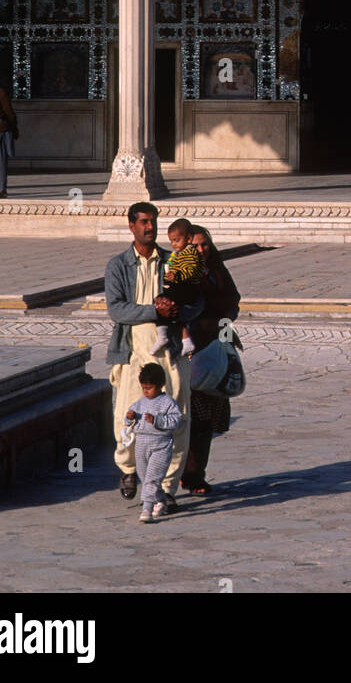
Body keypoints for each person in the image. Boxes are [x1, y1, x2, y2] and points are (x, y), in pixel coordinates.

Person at [104, 202, 204, 508]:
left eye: (153, 222)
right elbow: (116, 308)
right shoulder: (119, 265)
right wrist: (153, 310)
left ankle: (167, 487)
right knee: (127, 416)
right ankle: (129, 469)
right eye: (144, 222)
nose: (150, 227)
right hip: (134, 351)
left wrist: (177, 310)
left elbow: (197, 299)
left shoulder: (173, 260)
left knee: (177, 418)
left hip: (170, 351)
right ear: (131, 225)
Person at [180, 225, 241, 497]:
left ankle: (196, 472)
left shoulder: (217, 268)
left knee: (206, 420)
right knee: (192, 418)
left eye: (206, 245)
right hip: (192, 348)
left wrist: (224, 321)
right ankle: (187, 474)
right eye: (196, 246)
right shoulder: (183, 273)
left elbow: (233, 299)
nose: (202, 250)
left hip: (215, 346)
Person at [124, 362, 183, 523]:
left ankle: (147, 508)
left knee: (152, 478)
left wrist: (157, 420)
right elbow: (129, 422)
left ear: (160, 385)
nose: (146, 391)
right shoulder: (139, 403)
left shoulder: (168, 403)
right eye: (143, 388)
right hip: (141, 444)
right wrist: (129, 418)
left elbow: (175, 421)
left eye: (149, 388)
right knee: (145, 477)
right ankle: (161, 500)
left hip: (161, 445)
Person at [151, 219, 206, 357]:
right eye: (171, 241)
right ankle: (182, 339)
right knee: (163, 303)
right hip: (179, 285)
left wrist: (177, 274)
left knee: (167, 303)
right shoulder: (178, 253)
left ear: (188, 239)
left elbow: (190, 270)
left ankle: (166, 336)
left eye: (176, 240)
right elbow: (172, 264)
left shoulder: (191, 253)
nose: (173, 244)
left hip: (187, 287)